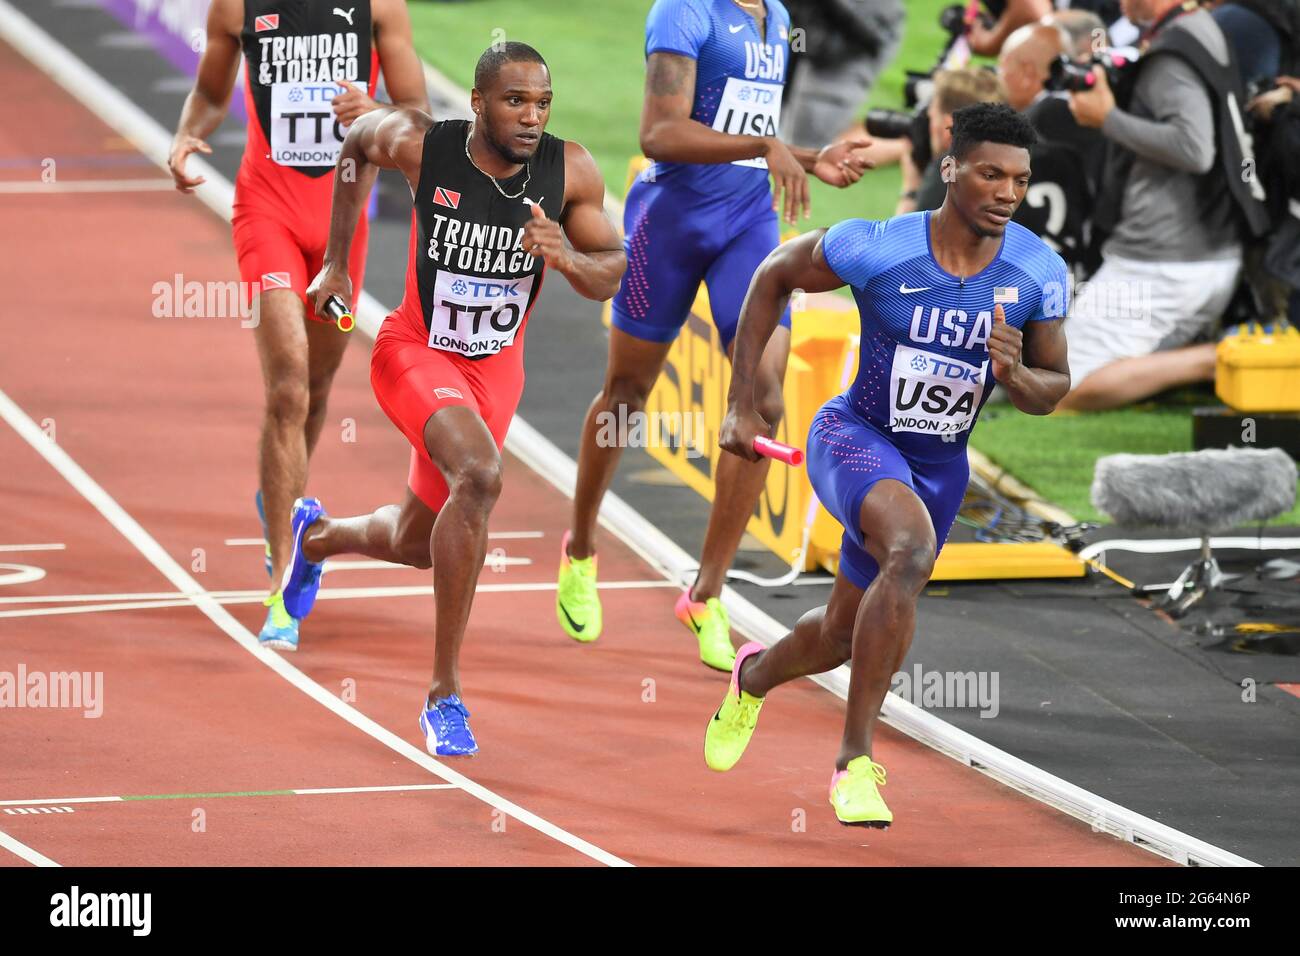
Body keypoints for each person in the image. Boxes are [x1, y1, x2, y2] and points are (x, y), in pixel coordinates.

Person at [706, 103, 1071, 827]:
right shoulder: (879, 248)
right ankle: (854, 762)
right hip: (855, 437)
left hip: (940, 467)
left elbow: (1052, 387)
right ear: (951, 168)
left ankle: (752, 676)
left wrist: (1018, 376)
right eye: (991, 173)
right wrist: (745, 403)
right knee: (909, 551)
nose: (1005, 192)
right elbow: (772, 276)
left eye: (1019, 181)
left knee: (843, 633)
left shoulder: (1037, 269)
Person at [283, 43, 626, 756]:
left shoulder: (572, 170)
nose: (531, 117)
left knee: (416, 542)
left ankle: (315, 538)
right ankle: (444, 696)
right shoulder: (423, 145)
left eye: (542, 103)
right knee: (481, 475)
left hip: (496, 375)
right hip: (415, 351)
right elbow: (353, 145)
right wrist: (338, 266)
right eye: (514, 101)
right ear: (477, 102)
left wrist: (567, 257)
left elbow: (613, 274)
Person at [555, 0, 872, 672]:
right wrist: (767, 146)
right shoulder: (683, 12)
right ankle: (580, 547)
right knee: (626, 391)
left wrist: (808, 159)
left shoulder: (777, 15)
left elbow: (748, 128)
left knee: (763, 393)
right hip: (671, 220)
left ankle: (707, 593)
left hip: (748, 223)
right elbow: (660, 134)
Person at [167, 0, 428, 649]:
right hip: (267, 212)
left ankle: (284, 501)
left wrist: (375, 116)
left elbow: (420, 119)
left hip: (342, 225)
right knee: (286, 386)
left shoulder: (377, 8)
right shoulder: (240, 8)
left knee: (314, 385)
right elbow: (207, 90)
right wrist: (186, 133)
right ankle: (283, 574)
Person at [1059, 0, 1270, 410]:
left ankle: (1213, 359)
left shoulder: (1172, 51)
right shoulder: (1201, 26)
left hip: (1162, 267)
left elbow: (1195, 149)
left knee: (1058, 388)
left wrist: (1106, 118)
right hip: (1206, 257)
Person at [998, 23, 1107, 273]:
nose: (998, 76)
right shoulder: (1084, 110)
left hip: (1060, 266)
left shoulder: (1038, 121)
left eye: (1002, 66)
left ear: (1027, 73)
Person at [780, 0, 905, 148]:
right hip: (812, 47)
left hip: (849, 54)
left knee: (807, 143)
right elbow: (797, 27)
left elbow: (872, 36)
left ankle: (904, 140)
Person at [897, 67, 1007, 215]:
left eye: (932, 117)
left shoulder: (950, 178)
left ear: (948, 128)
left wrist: (910, 189)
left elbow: (901, 238)